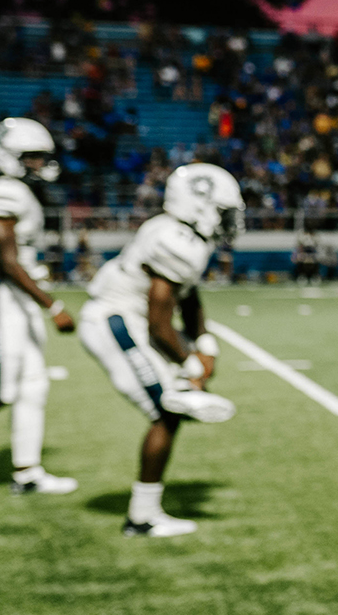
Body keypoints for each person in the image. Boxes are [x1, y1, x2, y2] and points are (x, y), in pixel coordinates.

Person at [79, 164, 244, 537]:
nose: (228, 220)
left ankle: (145, 513)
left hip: (129, 320)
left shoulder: (180, 234)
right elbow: (158, 321)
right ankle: (142, 517)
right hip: (116, 321)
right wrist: (190, 364)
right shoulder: (175, 240)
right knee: (165, 408)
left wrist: (203, 343)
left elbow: (187, 296)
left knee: (171, 408)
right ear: (199, 205)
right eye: (222, 210)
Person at [0, 118, 79, 495]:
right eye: (31, 156)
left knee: (34, 387)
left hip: (17, 295)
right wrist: (52, 306)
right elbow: (7, 261)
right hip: (0, 294)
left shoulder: (16, 190)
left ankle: (27, 472)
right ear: (8, 156)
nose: (39, 163)